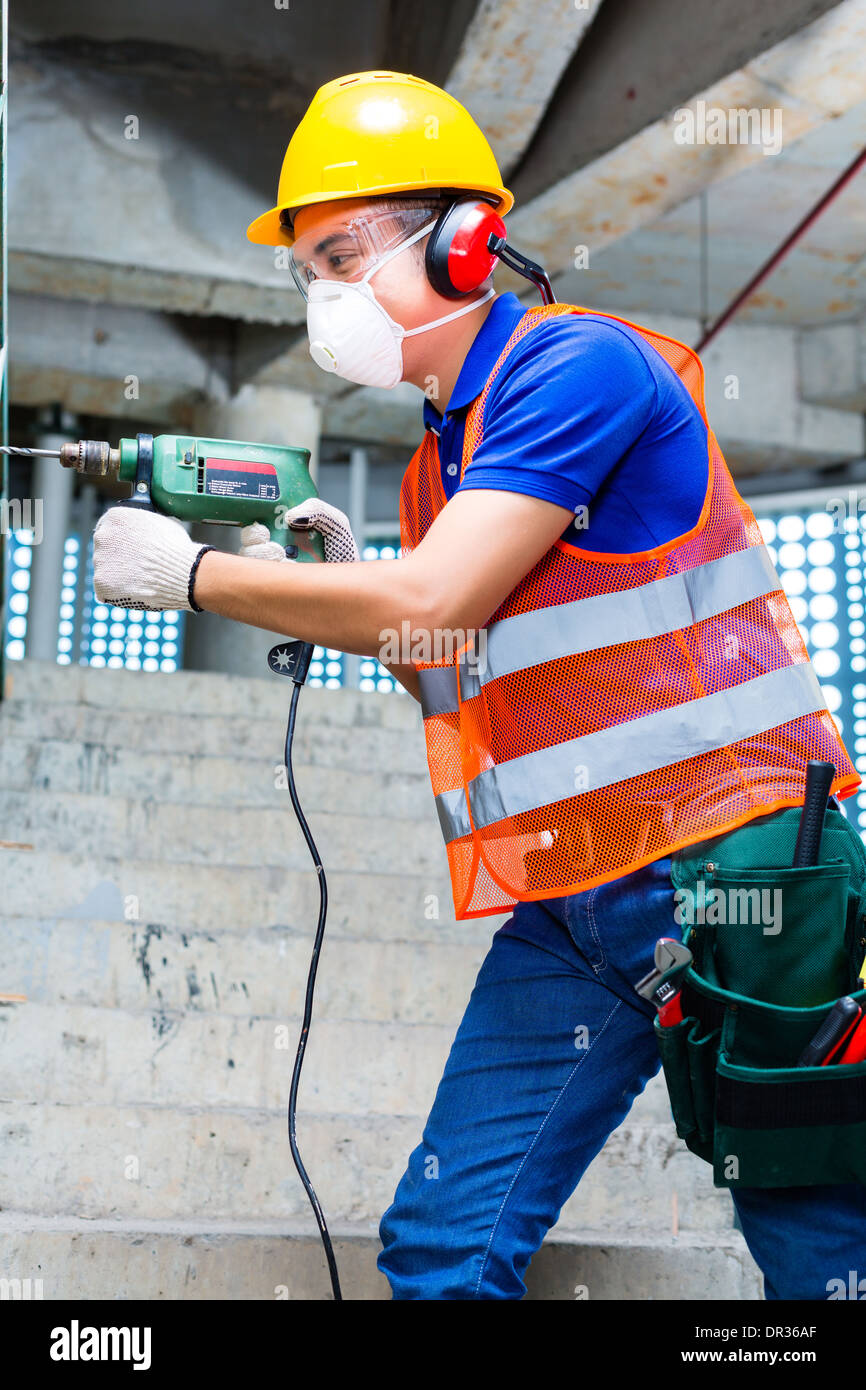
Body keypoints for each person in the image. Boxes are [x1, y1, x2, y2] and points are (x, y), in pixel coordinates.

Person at [92, 69, 866, 1300]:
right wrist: (347, 587)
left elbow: (430, 599)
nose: (323, 294)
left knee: (817, 1247)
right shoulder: (430, 475)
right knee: (445, 1248)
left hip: (736, 870)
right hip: (577, 896)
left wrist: (194, 581)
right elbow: (454, 680)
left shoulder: (577, 368)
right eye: (304, 270)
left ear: (464, 243)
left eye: (342, 251)